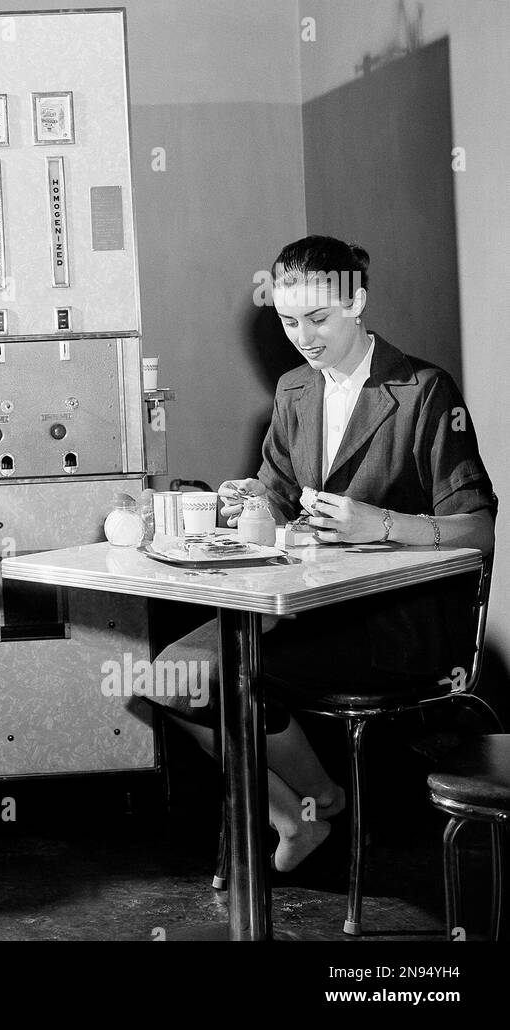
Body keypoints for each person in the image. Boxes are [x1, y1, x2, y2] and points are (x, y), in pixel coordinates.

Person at [140, 236, 496, 872]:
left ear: (357, 302)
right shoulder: (295, 391)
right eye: (287, 319)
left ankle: (317, 802)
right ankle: (305, 810)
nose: (302, 336)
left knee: (229, 671)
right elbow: (277, 506)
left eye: (319, 318)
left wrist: (379, 523)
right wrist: (248, 499)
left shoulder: (423, 392)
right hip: (308, 604)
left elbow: (477, 532)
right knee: (170, 674)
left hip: (397, 623)